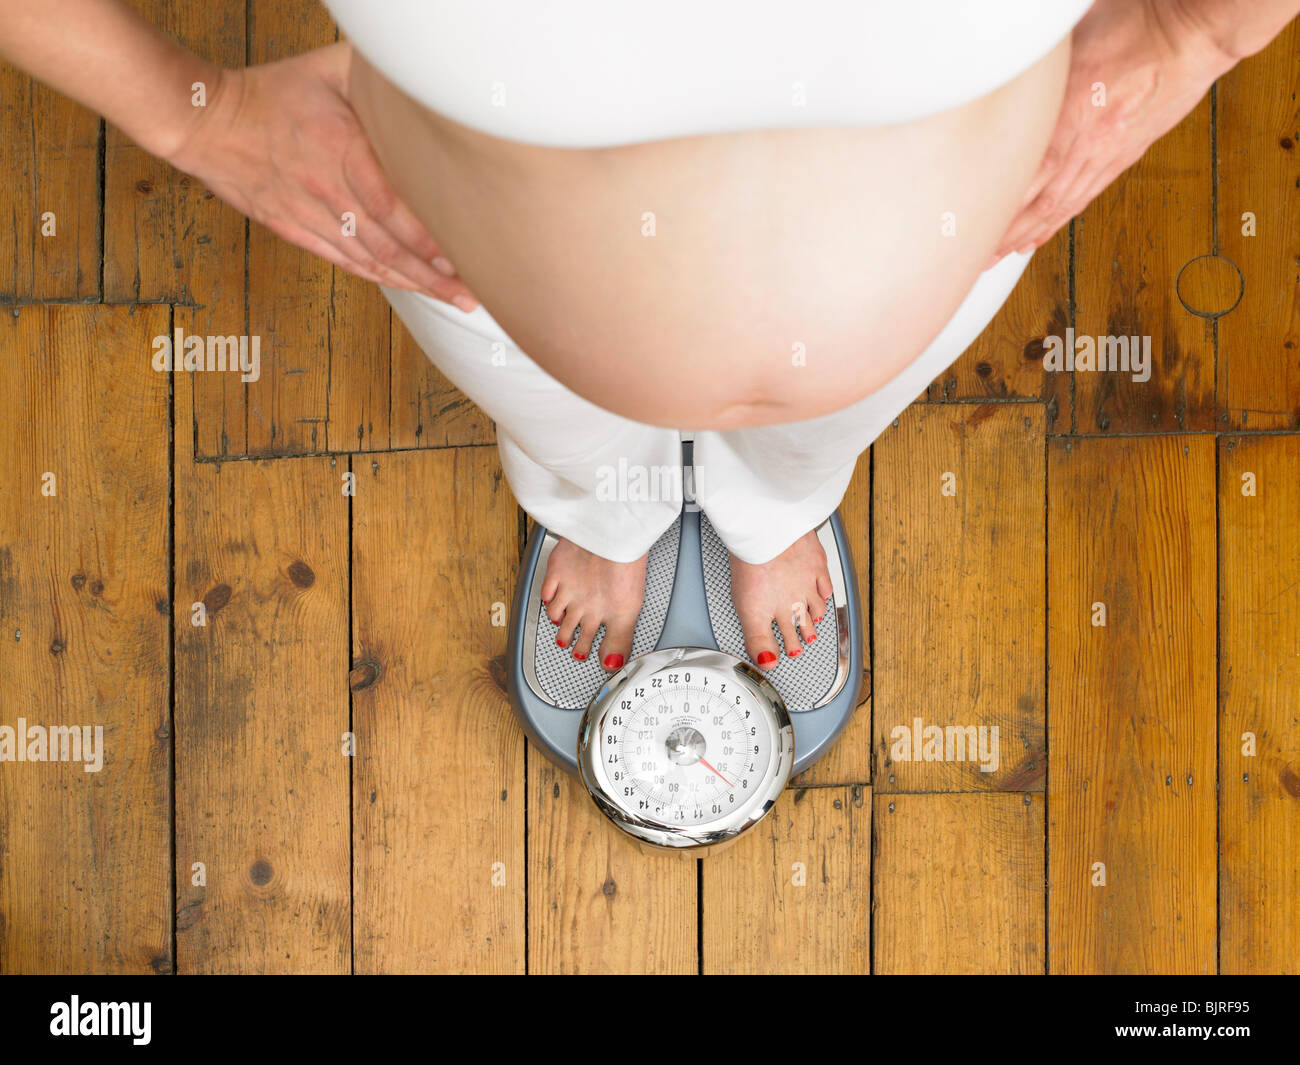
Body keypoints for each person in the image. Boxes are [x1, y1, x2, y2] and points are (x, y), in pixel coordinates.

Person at [4, 0, 1295, 673]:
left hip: (958, 235)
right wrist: (194, 114)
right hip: (479, 269)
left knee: (824, 428)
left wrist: (1206, 30)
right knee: (563, 428)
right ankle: (594, 503)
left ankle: (782, 498)